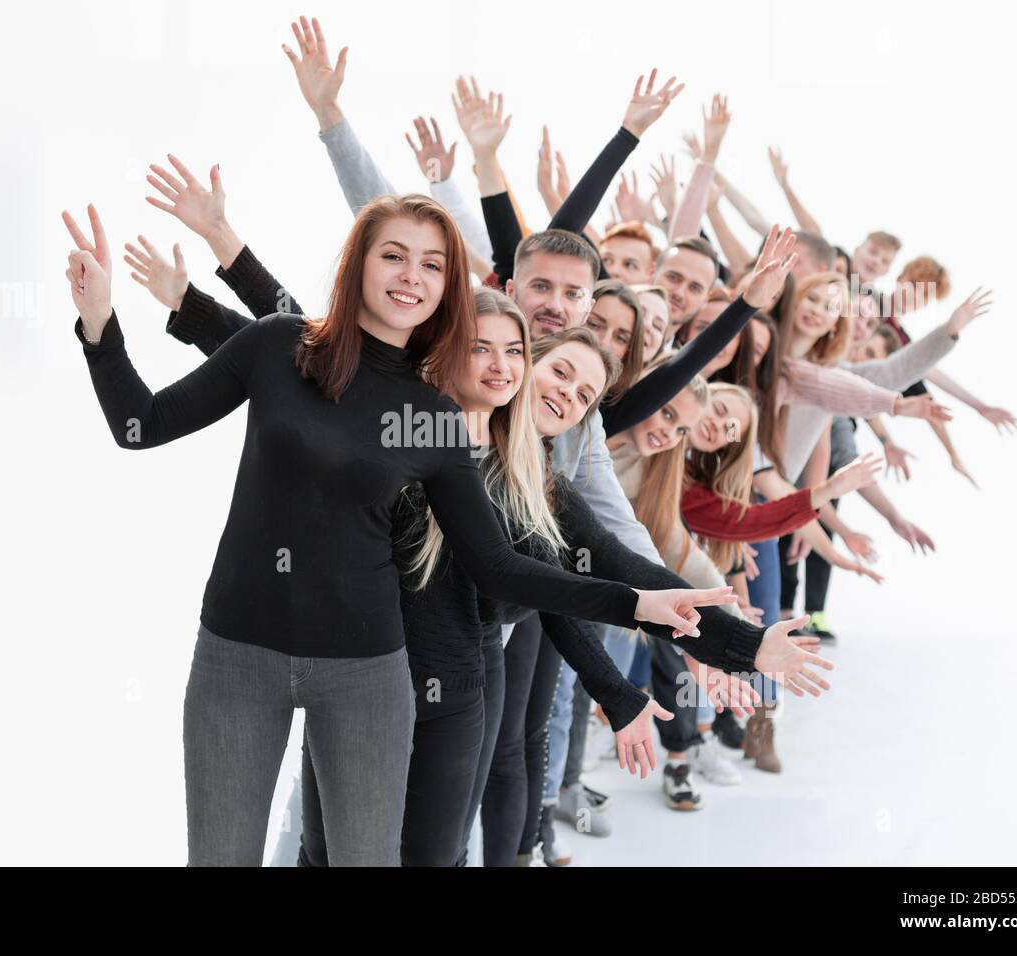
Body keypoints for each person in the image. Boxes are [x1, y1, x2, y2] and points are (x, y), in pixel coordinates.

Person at [63, 188, 740, 867]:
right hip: (237, 655)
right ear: (359, 262)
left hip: (366, 673)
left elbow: (501, 567)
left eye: (432, 265)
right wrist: (100, 326)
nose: (411, 276)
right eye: (393, 256)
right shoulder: (277, 346)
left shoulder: (436, 417)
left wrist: (639, 605)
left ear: (449, 288)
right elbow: (140, 426)